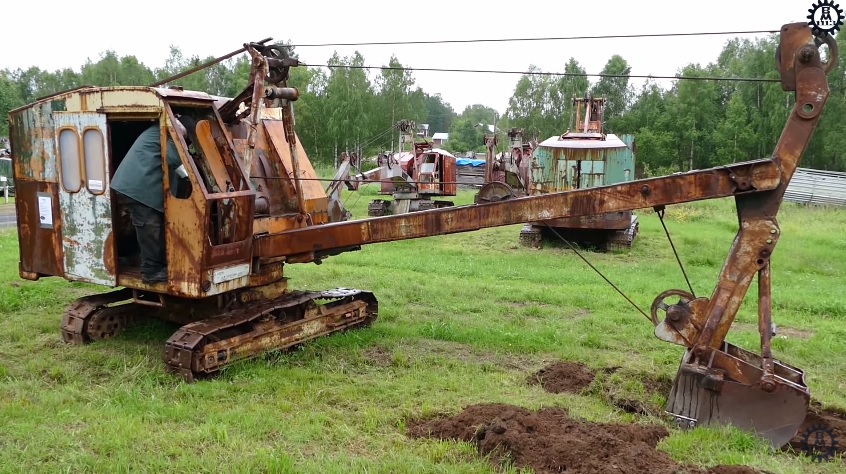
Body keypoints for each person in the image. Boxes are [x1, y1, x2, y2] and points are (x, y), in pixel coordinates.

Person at [111, 115, 196, 284]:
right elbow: (176, 161)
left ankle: (155, 264)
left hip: (135, 186)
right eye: (186, 138)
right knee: (150, 227)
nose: (185, 142)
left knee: (153, 225)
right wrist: (193, 179)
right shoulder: (167, 133)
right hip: (135, 188)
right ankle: (151, 272)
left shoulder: (159, 130)